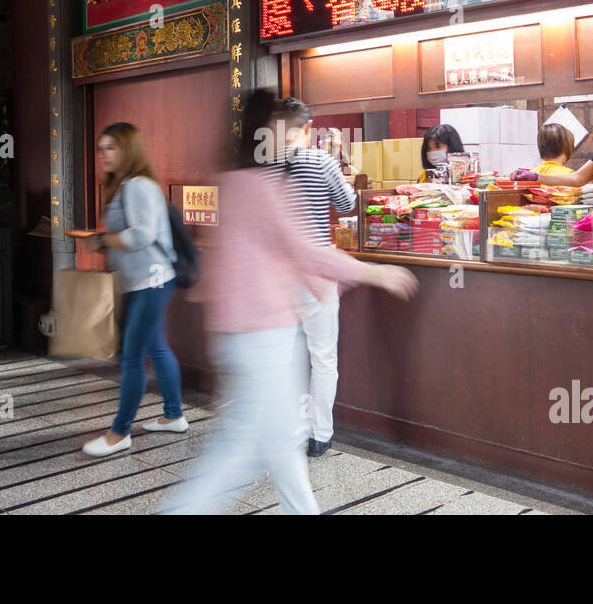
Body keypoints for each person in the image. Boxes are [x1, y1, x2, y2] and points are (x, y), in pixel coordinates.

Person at [167, 90, 418, 515]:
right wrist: (377, 273)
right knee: (248, 442)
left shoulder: (231, 181)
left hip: (238, 327)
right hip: (264, 328)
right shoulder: (270, 182)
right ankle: (319, 434)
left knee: (273, 439)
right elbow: (308, 244)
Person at [81, 123, 186, 457]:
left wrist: (103, 239)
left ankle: (119, 432)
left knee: (131, 357)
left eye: (110, 148)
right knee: (155, 348)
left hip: (151, 281)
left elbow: (142, 234)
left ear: (128, 150)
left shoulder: (138, 185)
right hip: (143, 280)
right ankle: (173, 415)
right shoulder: (124, 185)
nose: (103, 155)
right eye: (101, 149)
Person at [269, 98, 358, 457]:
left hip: (277, 274)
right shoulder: (321, 162)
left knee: (285, 355)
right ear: (308, 128)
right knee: (323, 357)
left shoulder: (263, 166)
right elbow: (348, 204)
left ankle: (287, 428)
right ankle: (319, 435)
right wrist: (339, 162)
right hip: (317, 273)